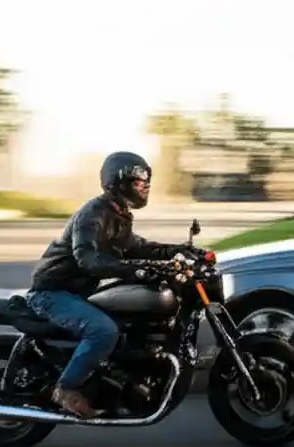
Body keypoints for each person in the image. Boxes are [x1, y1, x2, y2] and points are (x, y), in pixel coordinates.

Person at [26, 151, 209, 418]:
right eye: (140, 180)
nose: (146, 185)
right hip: (52, 292)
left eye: (147, 180)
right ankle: (65, 389)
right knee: (103, 331)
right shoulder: (93, 213)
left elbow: (139, 247)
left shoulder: (119, 215)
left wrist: (181, 251)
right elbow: (86, 258)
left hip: (79, 292)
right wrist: (136, 271)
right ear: (119, 181)